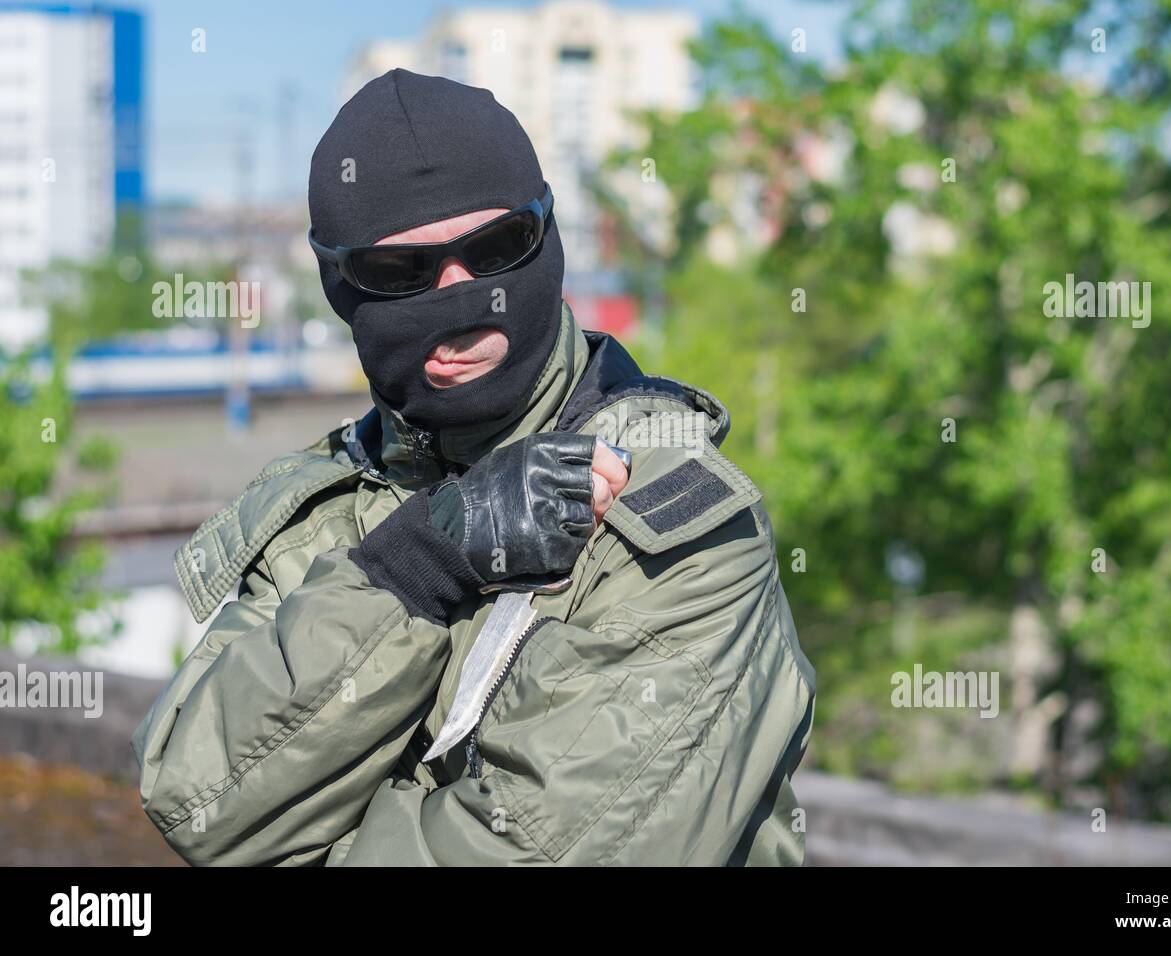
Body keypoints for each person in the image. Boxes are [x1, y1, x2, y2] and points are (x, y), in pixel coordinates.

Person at [133, 70, 815, 866]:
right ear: (339, 287)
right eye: (400, 272)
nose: (463, 297)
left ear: (549, 236)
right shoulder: (320, 513)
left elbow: (538, 849)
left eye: (496, 249)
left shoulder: (674, 513)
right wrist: (418, 564)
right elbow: (199, 800)